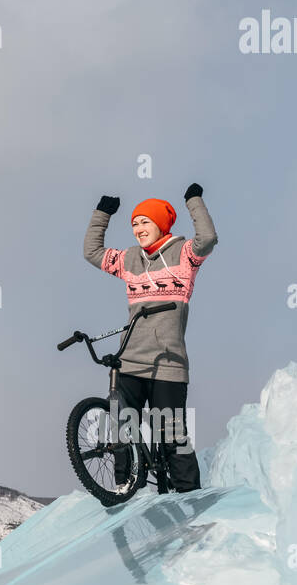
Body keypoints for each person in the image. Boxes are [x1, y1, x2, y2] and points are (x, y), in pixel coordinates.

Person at [82, 183, 218, 492]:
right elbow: (91, 252)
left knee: (170, 434)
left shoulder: (185, 256)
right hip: (130, 362)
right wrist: (102, 214)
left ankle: (188, 499)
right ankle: (125, 489)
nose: (137, 229)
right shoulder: (129, 259)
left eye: (144, 221)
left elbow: (208, 238)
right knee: (120, 427)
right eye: (134, 224)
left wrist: (193, 200)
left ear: (161, 223)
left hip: (168, 363)